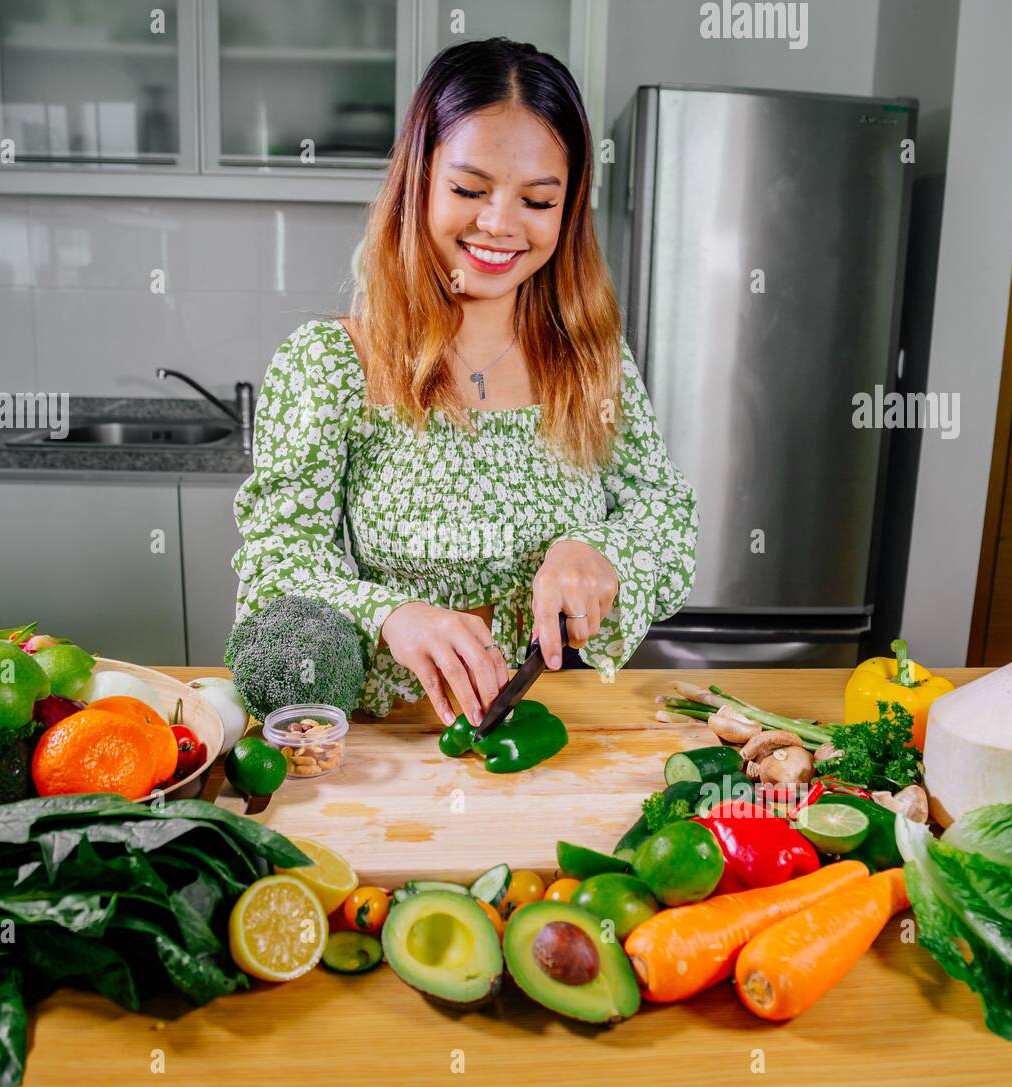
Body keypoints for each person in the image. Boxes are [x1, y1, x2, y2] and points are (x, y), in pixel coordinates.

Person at [233, 37, 698, 729]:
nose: (500, 224)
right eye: (469, 189)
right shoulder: (328, 364)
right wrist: (390, 613)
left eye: (538, 200)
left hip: (555, 728)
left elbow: (667, 521)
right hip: (386, 743)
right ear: (417, 179)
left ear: (568, 211)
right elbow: (274, 571)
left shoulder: (592, 361)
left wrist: (601, 550)